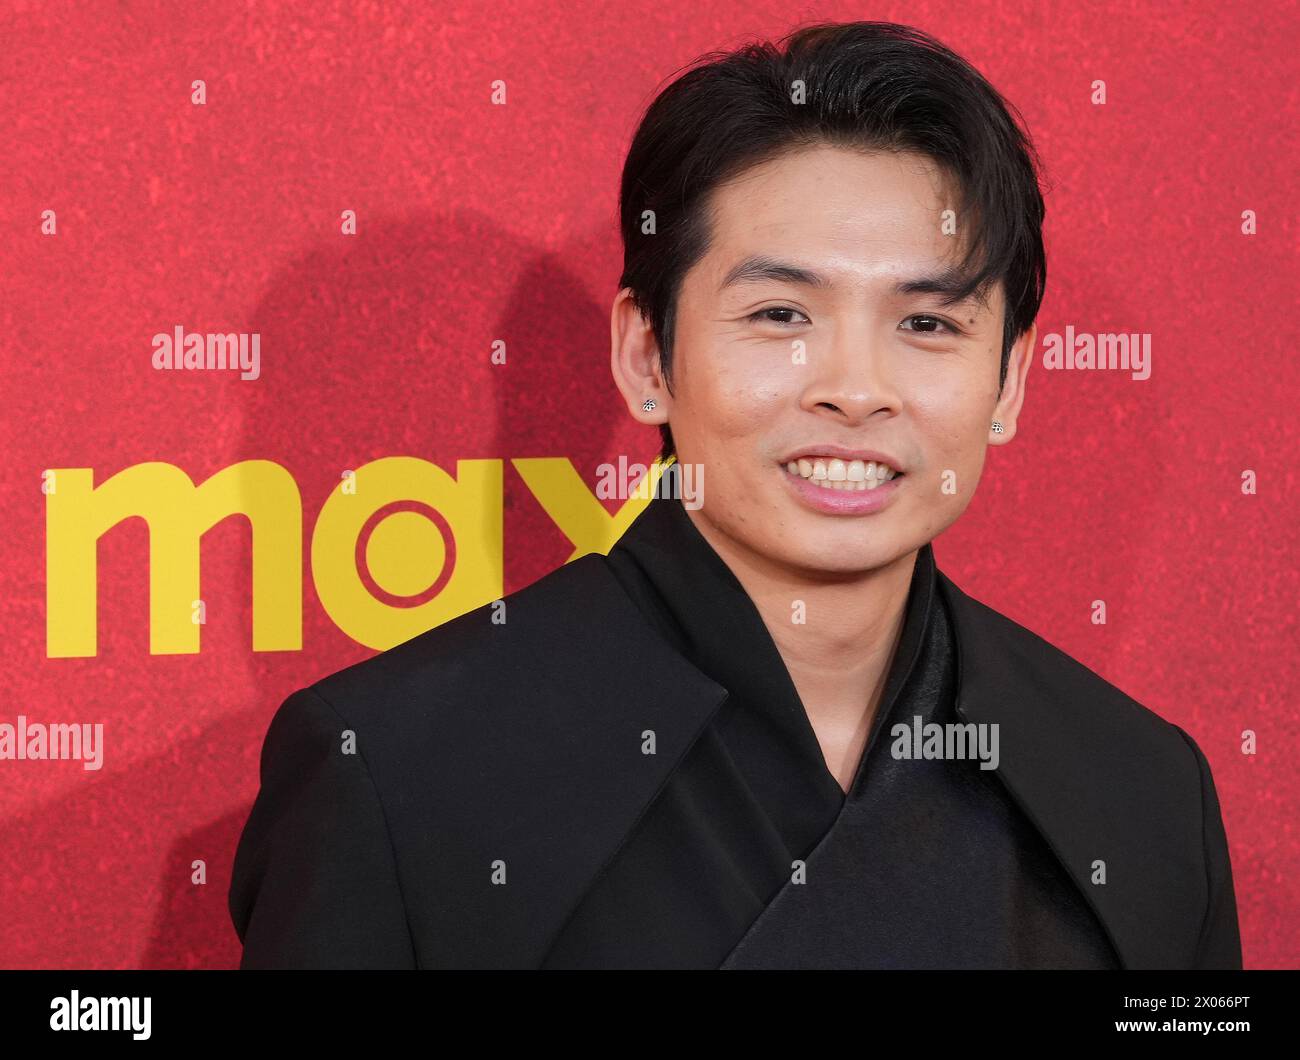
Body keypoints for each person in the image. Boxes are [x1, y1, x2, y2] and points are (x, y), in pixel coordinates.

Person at [228, 20, 1241, 969]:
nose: (854, 387)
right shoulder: (400, 775)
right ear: (645, 354)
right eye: (779, 313)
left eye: (928, 324)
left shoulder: (1139, 793)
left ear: (1010, 379)